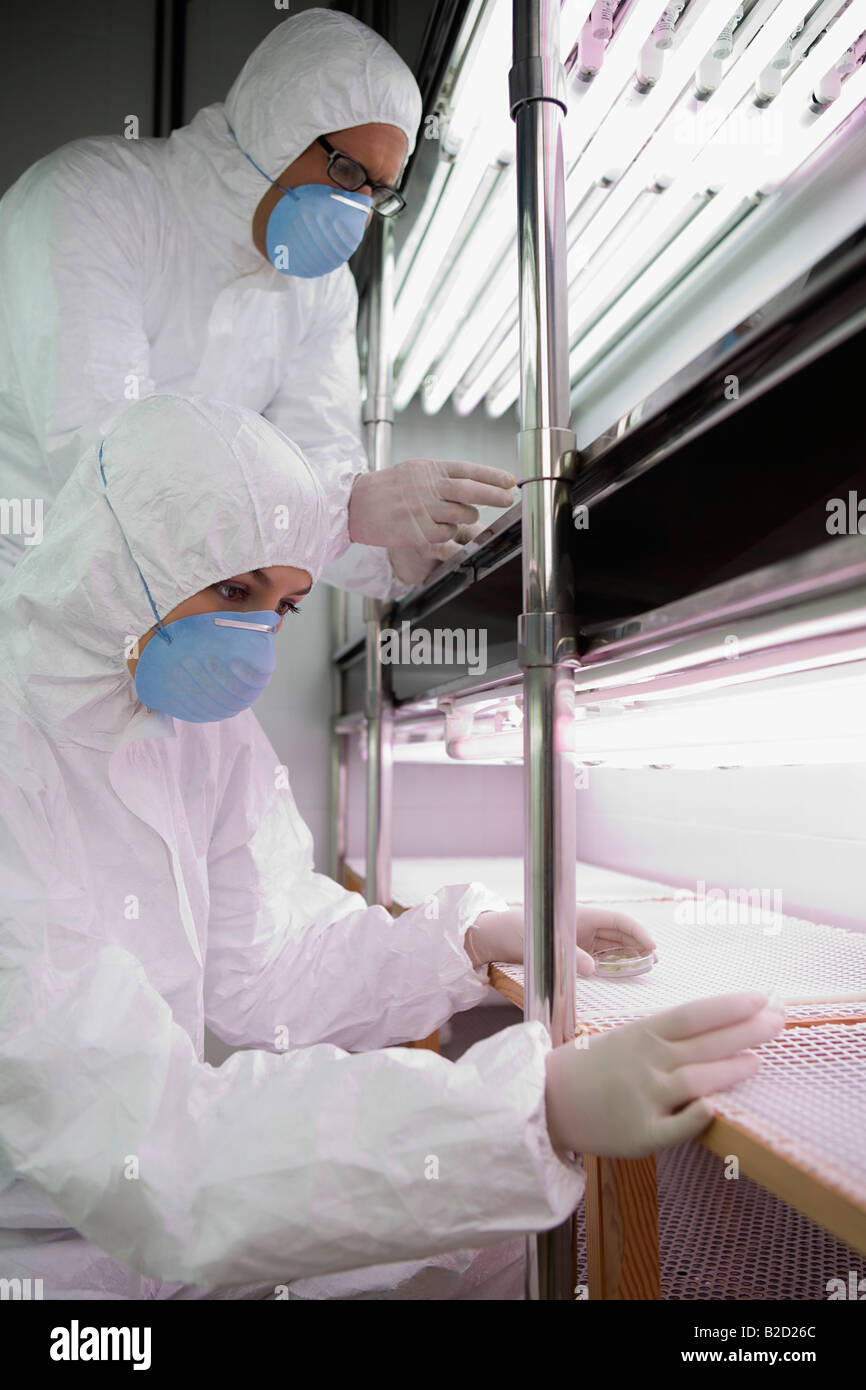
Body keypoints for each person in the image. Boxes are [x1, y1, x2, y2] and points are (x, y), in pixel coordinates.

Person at [0, 395, 784, 1301]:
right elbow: (141, 1143)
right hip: (46, 1255)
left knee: (497, 1248)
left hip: (159, 1222)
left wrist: (470, 936)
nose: (255, 636)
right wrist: (534, 1109)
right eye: (233, 591)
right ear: (125, 555)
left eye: (284, 606)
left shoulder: (193, 731)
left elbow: (270, 962)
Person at [0, 8, 516, 592]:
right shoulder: (94, 197)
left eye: (378, 193)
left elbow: (317, 458)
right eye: (347, 171)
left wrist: (392, 556)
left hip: (163, 616)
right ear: (278, 125)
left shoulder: (321, 289)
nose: (357, 211)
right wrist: (345, 510)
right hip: (21, 589)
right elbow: (102, 454)